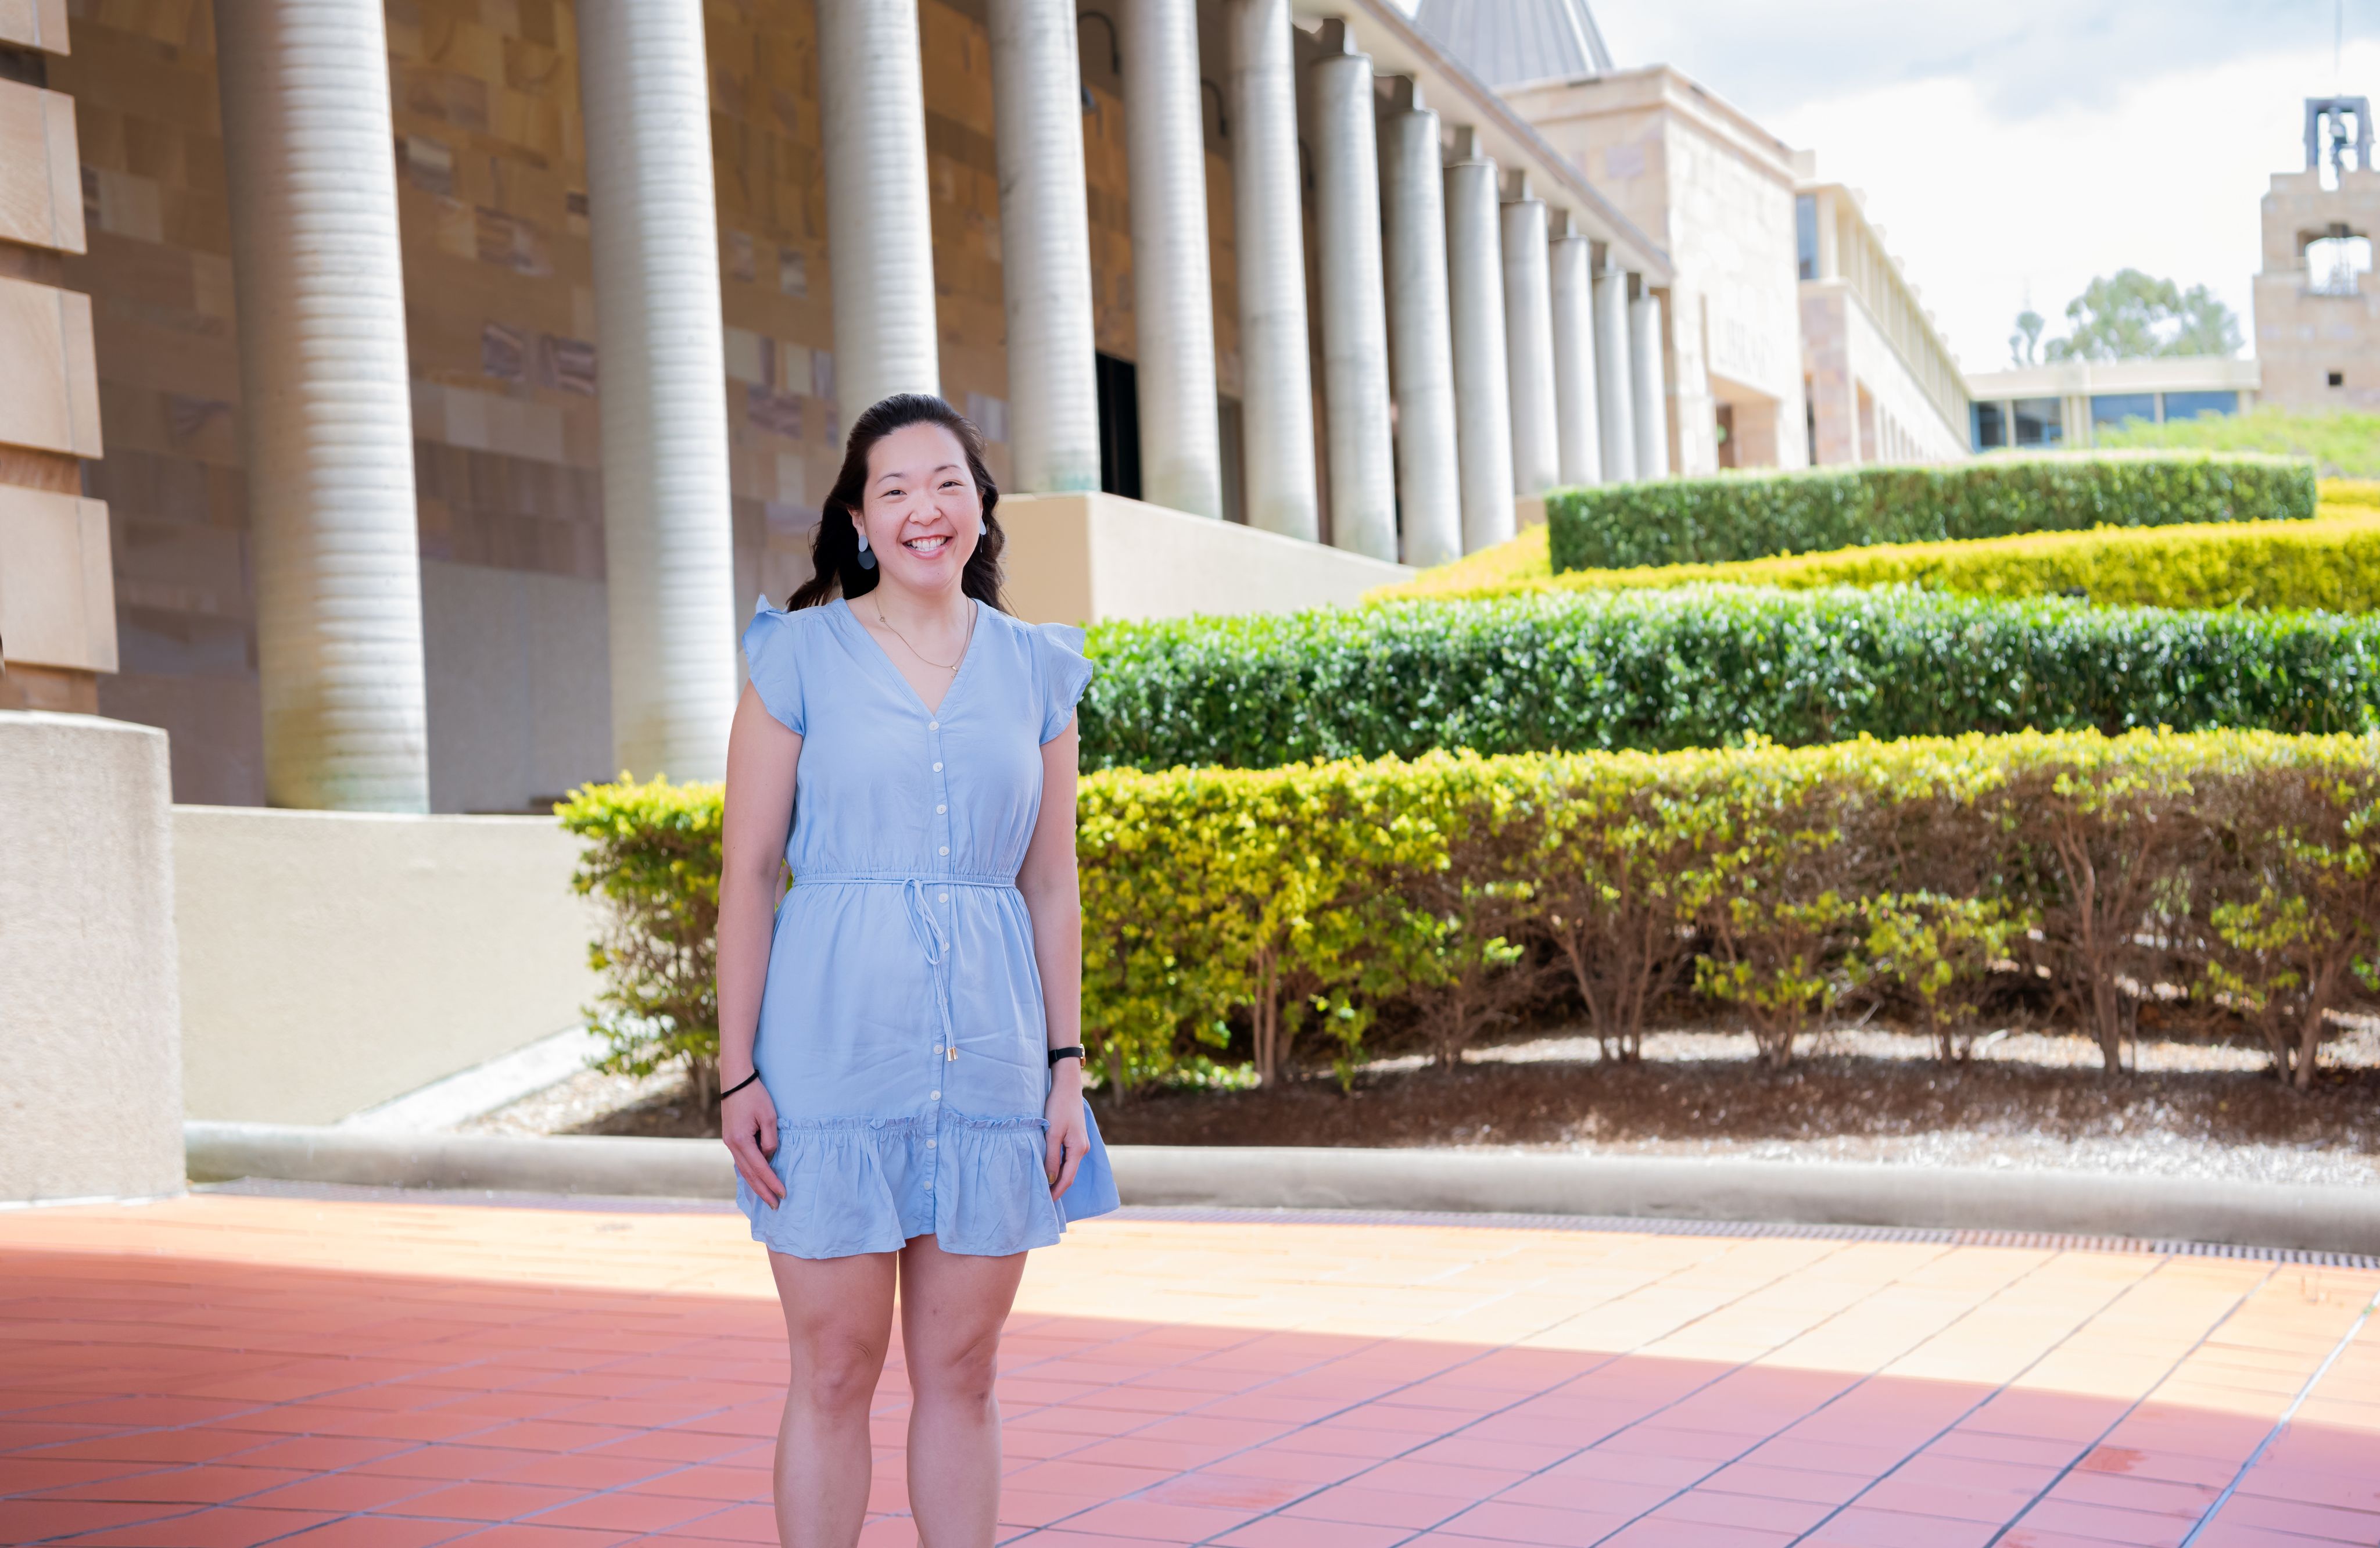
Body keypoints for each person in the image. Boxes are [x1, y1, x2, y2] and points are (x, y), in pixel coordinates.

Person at [715, 393, 1119, 1547]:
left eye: (946, 484)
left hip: (991, 1062)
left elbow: (1051, 884)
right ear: (857, 520)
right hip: (829, 1063)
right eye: (892, 489)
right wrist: (736, 1073)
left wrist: (1065, 1067)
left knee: (964, 1373)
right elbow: (749, 874)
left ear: (981, 510)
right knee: (834, 1370)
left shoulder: (1038, 671)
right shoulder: (798, 656)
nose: (923, 509)